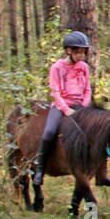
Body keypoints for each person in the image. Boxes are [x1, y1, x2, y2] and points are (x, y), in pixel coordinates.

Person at [32, 31, 94, 187]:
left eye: (83, 52)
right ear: (69, 51)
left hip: (80, 106)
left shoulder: (84, 67)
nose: (81, 55)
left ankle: (99, 170)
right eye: (78, 52)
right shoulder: (57, 68)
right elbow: (55, 93)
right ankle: (40, 169)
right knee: (49, 132)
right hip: (61, 105)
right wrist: (66, 110)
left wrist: (84, 107)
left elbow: (87, 89)